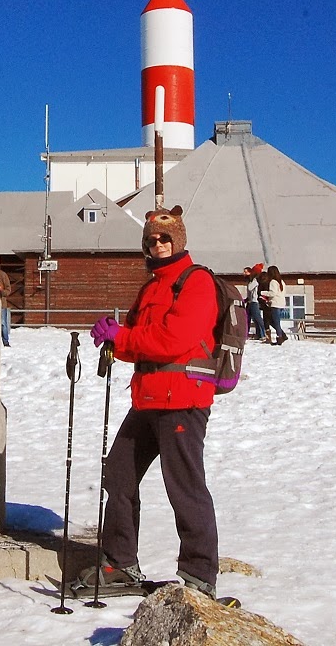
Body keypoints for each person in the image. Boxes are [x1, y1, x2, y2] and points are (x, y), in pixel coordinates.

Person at [78, 204, 222, 600]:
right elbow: (143, 343)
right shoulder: (152, 286)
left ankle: (198, 577)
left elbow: (174, 340)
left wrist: (121, 337)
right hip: (148, 399)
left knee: (185, 487)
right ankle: (120, 563)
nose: (157, 244)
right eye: (150, 240)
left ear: (178, 239)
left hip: (183, 401)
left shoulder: (196, 282)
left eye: (164, 238)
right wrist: (115, 338)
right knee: (119, 475)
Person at [262, 266, 288, 345]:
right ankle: (282, 336)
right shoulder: (281, 282)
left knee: (275, 322)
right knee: (275, 321)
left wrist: (262, 293)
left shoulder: (273, 282)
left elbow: (272, 293)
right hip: (281, 303)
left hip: (275, 303)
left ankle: (280, 337)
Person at [244, 265, 263, 341]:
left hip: (254, 302)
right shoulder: (250, 281)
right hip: (250, 301)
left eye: (246, 272)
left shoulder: (254, 281)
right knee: (247, 318)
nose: (244, 274)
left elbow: (250, 288)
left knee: (257, 318)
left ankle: (262, 333)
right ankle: (246, 334)